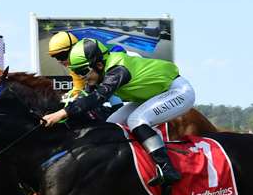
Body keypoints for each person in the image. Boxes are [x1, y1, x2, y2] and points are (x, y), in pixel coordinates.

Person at [40, 38, 194, 186]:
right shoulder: (98, 72)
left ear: (99, 65)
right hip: (153, 95)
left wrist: (61, 113)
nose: (81, 77)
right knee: (110, 124)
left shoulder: (118, 70)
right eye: (76, 72)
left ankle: (167, 168)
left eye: (82, 71)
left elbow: (97, 98)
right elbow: (84, 99)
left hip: (179, 91)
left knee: (136, 120)